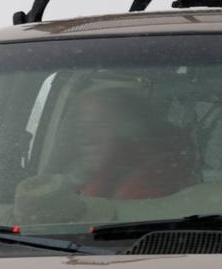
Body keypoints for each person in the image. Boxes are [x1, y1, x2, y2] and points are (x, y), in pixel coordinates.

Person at [68, 86, 199, 200]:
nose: (87, 139)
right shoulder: (84, 180)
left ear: (129, 130)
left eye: (99, 126)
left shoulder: (151, 186)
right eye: (83, 128)